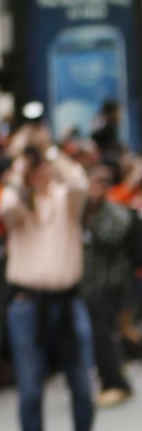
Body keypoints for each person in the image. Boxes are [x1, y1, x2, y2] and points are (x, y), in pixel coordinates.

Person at [0, 146, 104, 431]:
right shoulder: (21, 203)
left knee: (82, 386)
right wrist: (20, 165)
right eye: (37, 167)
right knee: (30, 390)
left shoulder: (65, 199)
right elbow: (5, 206)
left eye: (43, 166)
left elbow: (80, 185)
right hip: (28, 305)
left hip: (68, 302)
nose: (41, 171)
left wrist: (51, 151)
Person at [82, 163, 135, 407]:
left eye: (96, 186)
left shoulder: (115, 212)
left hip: (110, 284)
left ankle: (116, 384)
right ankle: (111, 379)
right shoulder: (85, 212)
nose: (91, 191)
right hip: (89, 284)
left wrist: (90, 218)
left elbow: (110, 238)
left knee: (105, 334)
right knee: (99, 335)